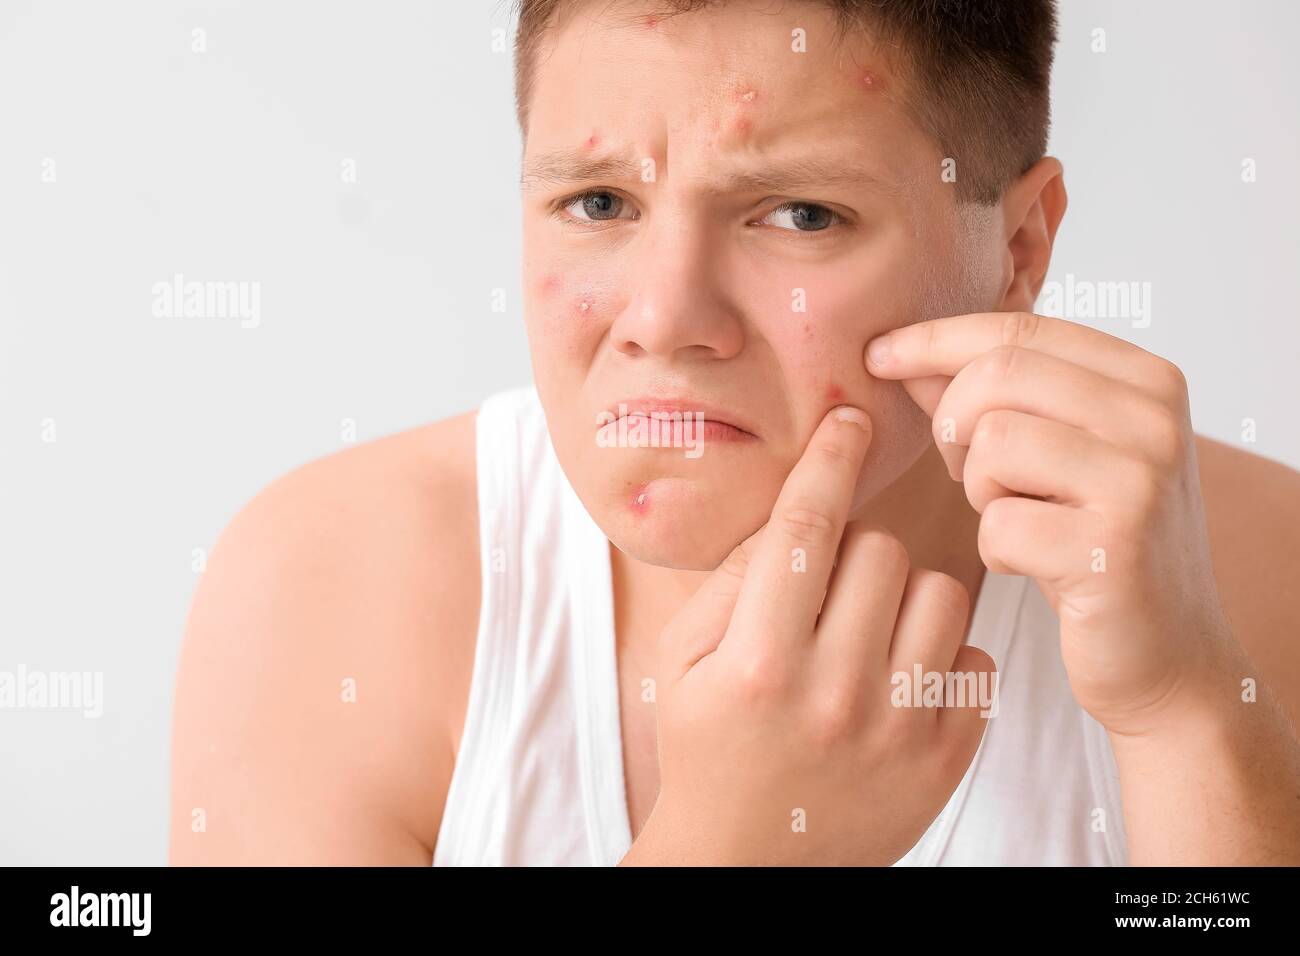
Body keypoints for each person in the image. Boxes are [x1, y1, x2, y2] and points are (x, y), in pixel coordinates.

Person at [168, 0, 1300, 865]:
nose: (662, 319)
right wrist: (722, 842)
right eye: (598, 202)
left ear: (1013, 252)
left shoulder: (1258, 568)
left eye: (799, 214)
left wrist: (1181, 714)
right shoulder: (332, 584)